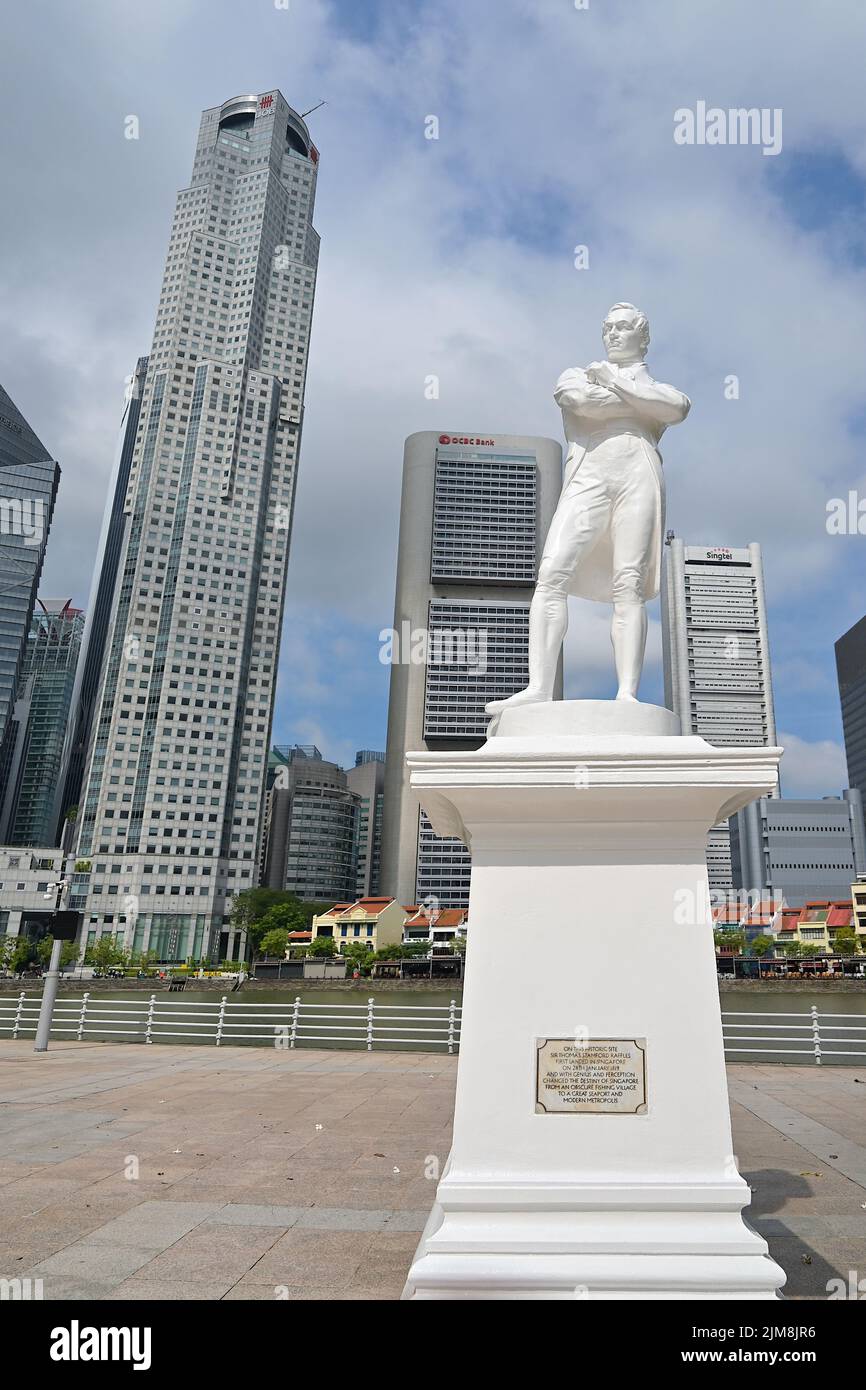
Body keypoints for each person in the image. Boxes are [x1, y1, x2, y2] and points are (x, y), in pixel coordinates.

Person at [486, 303, 690, 718]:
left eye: (622, 328)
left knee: (629, 583)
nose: (612, 335)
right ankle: (539, 687)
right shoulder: (575, 374)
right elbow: (581, 402)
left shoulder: (647, 385)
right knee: (552, 572)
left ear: (642, 338)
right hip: (590, 473)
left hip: (639, 472)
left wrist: (614, 382)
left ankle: (627, 694)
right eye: (607, 328)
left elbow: (676, 409)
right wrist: (639, 404)